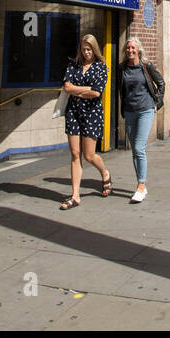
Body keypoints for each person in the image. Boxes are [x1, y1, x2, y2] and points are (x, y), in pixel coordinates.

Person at [59, 34, 111, 209]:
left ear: (94, 49)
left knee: (89, 155)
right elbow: (67, 87)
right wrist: (84, 90)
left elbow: (97, 92)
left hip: (92, 114)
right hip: (73, 112)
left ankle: (105, 173)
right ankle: (75, 195)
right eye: (84, 49)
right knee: (75, 154)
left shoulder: (101, 67)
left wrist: (76, 90)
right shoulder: (73, 65)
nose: (86, 52)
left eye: (89, 49)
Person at [118, 37, 166, 203]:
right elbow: (121, 89)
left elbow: (161, 83)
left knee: (139, 147)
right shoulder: (122, 68)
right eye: (128, 48)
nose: (130, 50)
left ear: (139, 50)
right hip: (129, 111)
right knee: (134, 150)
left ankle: (141, 185)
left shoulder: (146, 66)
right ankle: (141, 185)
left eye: (133, 48)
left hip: (145, 109)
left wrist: (157, 103)